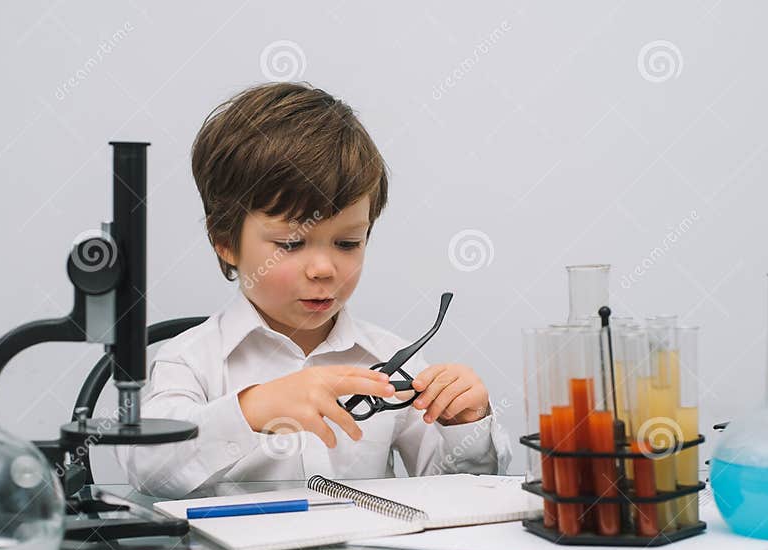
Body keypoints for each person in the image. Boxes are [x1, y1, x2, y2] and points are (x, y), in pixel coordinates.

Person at [117, 82, 511, 497]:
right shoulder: (190, 360)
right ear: (226, 241)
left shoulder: (388, 360)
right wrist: (251, 410)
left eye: (347, 243)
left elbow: (461, 493)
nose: (324, 269)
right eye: (291, 243)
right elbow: (147, 466)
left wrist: (465, 423)